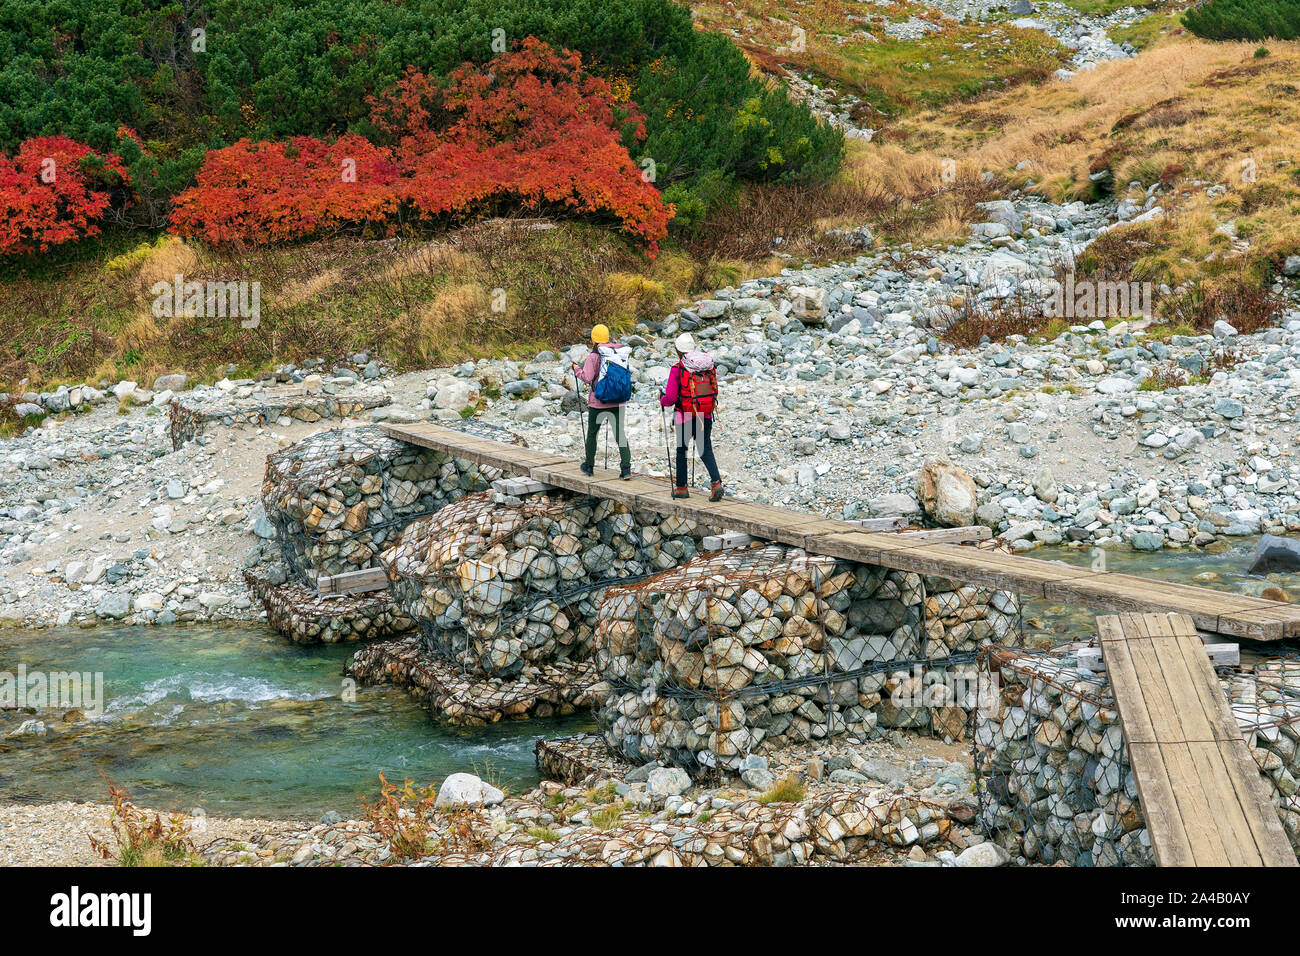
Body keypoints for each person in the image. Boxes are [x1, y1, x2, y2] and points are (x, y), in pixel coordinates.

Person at [661, 331, 722, 501]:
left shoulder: (678, 368)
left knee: (682, 450)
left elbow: (671, 397)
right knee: (705, 449)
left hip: (685, 415)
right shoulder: (707, 367)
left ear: (678, 350)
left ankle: (681, 488)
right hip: (706, 414)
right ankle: (716, 484)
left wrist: (662, 400)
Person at [572, 324, 633, 479]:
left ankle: (589, 466)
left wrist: (576, 369)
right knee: (620, 434)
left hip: (598, 402)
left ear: (593, 338)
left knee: (592, 434)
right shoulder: (619, 353)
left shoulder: (594, 356)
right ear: (607, 337)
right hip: (618, 400)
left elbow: (587, 378)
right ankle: (626, 469)